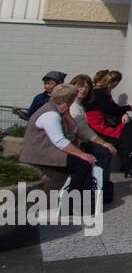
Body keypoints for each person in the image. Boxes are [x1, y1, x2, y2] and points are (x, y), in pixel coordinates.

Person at [20, 85, 98, 213]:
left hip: (48, 149)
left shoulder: (57, 110)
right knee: (82, 164)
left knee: (85, 163)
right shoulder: (50, 114)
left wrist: (67, 115)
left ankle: (83, 203)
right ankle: (70, 205)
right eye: (71, 100)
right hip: (39, 153)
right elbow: (60, 141)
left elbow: (73, 130)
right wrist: (82, 155)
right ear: (67, 101)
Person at [84, 70, 132, 179]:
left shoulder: (103, 92)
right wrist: (127, 108)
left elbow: (113, 108)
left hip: (102, 122)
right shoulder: (99, 92)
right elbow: (109, 109)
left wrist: (124, 113)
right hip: (99, 125)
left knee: (130, 131)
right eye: (116, 82)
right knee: (129, 131)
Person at [68, 74, 117, 202]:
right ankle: (98, 188)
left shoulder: (78, 105)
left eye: (87, 87)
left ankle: (101, 187)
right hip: (73, 145)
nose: (83, 90)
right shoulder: (73, 106)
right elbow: (84, 131)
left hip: (78, 142)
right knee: (104, 152)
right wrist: (104, 143)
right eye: (80, 86)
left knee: (105, 150)